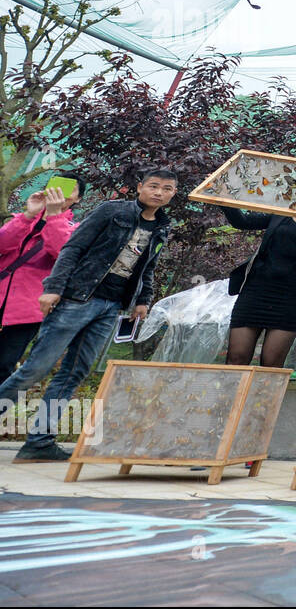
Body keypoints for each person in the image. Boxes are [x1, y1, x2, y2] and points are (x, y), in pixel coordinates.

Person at [0, 168, 177, 463]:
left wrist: (142, 300)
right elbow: (73, 248)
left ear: (172, 194)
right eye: (154, 186)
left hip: (111, 306)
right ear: (139, 187)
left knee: (74, 372)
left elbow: (148, 266)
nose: (159, 192)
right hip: (78, 298)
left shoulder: (161, 226)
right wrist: (54, 287)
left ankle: (39, 442)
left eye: (167, 189)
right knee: (34, 370)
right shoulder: (111, 211)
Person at [222, 190, 296, 368]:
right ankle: (229, 396)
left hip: (292, 298)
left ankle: (263, 397)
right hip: (256, 291)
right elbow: (242, 221)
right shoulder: (282, 211)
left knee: (271, 364)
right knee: (236, 357)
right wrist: (223, 197)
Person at [0, 177, 83, 383]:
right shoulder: (23, 218)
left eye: (70, 190)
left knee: (3, 364)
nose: (61, 192)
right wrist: (28, 215)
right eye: (57, 185)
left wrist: (54, 217)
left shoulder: (75, 229)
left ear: (78, 199)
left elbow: (62, 253)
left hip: (26, 312)